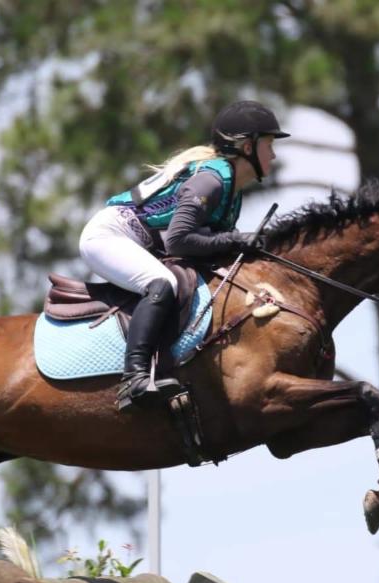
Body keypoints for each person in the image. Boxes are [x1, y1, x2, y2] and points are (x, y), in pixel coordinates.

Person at [79, 100, 289, 410]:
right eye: (268, 144)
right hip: (110, 235)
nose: (273, 154)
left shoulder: (231, 190)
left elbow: (205, 243)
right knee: (162, 283)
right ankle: (134, 378)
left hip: (140, 240)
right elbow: (179, 241)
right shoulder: (213, 180)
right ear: (247, 146)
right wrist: (236, 238)